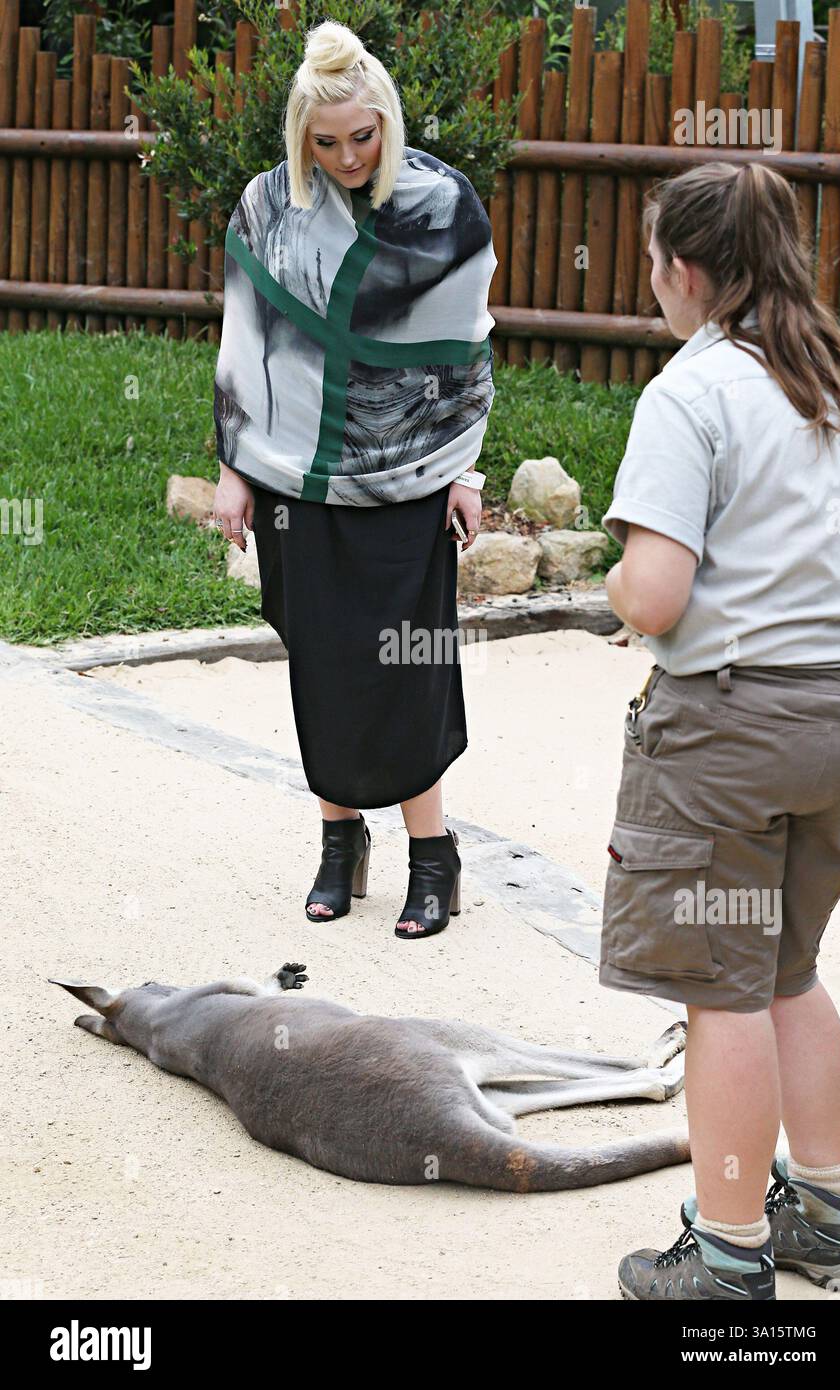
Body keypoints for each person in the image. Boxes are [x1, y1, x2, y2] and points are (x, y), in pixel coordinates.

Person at [600, 160, 840, 1300]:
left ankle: (723, 1256)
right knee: (786, 968)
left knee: (723, 988)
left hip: (730, 727)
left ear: (688, 271)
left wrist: (613, 586)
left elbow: (653, 594)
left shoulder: (690, 391)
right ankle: (828, 1212)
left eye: (655, 258)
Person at [212, 21, 497, 938]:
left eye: (361, 137)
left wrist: (464, 468)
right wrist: (234, 470)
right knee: (323, 664)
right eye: (324, 141)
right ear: (300, 135)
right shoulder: (265, 207)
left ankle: (432, 857)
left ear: (388, 120)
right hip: (298, 475)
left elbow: (464, 350)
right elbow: (244, 342)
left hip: (410, 476)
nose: (344, 156)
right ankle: (341, 845)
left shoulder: (442, 206)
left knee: (409, 667)